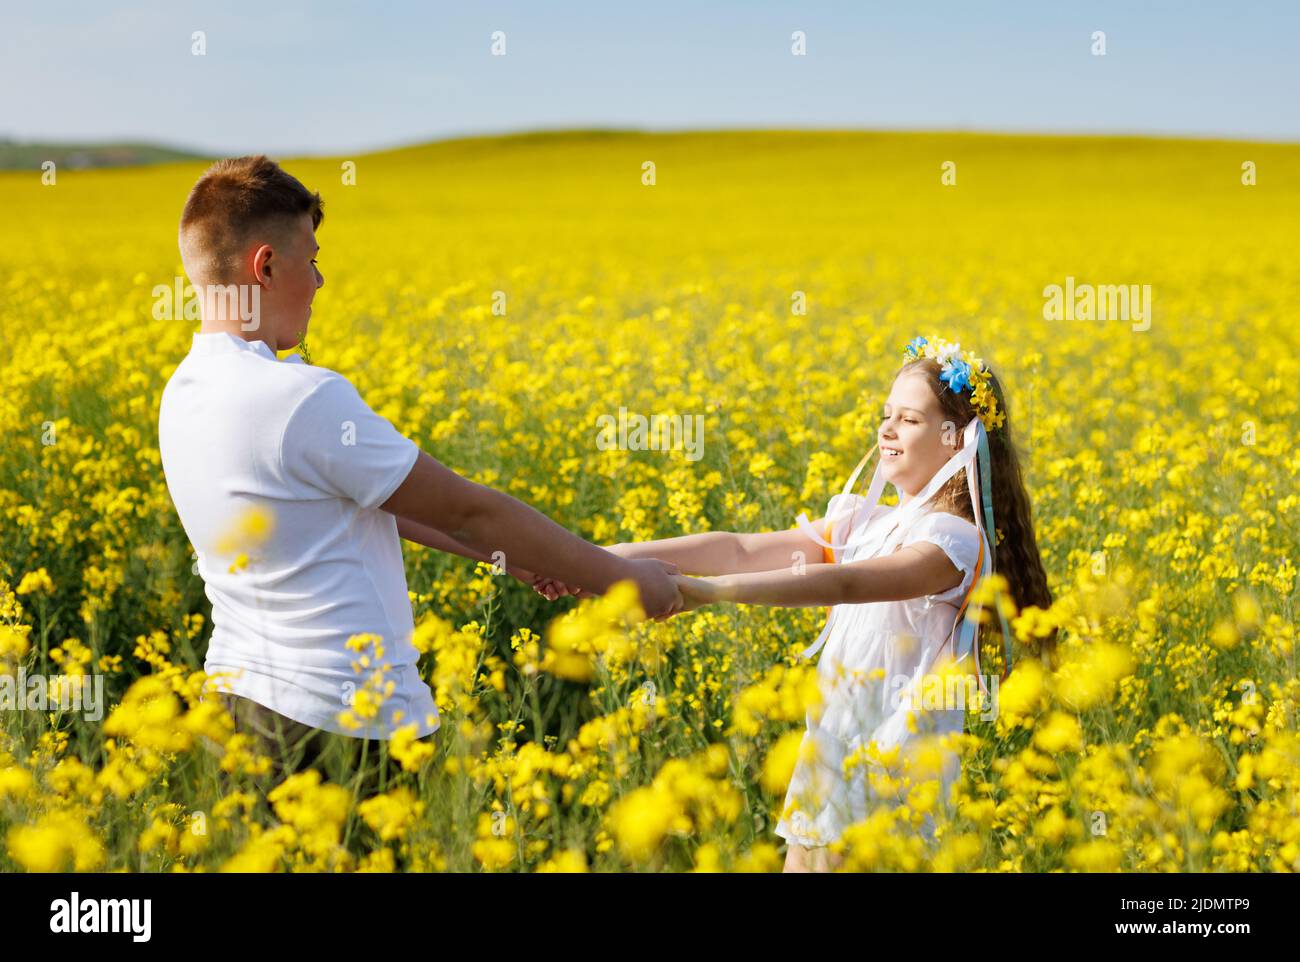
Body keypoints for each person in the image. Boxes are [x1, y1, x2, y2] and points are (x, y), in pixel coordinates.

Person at [158, 155, 682, 785]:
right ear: (265, 266)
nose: (320, 281)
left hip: (241, 709)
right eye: (312, 258)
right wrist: (624, 582)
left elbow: (373, 506)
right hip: (339, 728)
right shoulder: (297, 399)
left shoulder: (187, 390)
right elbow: (468, 510)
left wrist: (506, 556)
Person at [564, 336, 1054, 871]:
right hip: (830, 756)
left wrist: (703, 592)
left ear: (957, 439)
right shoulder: (866, 523)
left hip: (892, 772)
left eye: (908, 420)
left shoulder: (956, 541)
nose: (886, 430)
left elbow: (844, 584)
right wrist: (590, 560)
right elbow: (738, 547)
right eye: (886, 414)